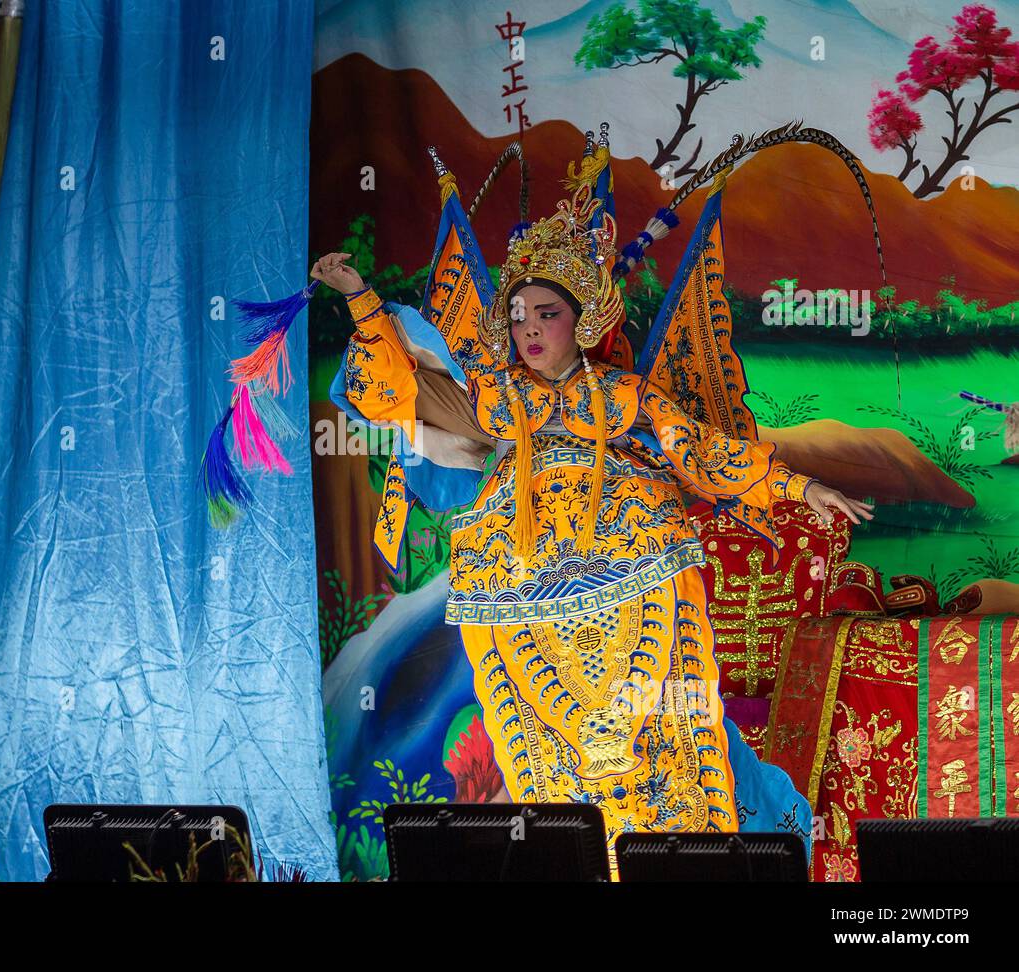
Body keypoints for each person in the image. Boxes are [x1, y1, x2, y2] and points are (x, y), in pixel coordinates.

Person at [311, 171, 872, 853]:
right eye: (517, 317)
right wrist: (359, 297)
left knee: (672, 744)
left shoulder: (624, 396)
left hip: (638, 578)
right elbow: (393, 383)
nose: (529, 330)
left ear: (583, 319)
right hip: (524, 596)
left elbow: (697, 450)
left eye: (546, 313)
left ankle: (692, 860)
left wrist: (796, 488)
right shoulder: (495, 398)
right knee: (552, 772)